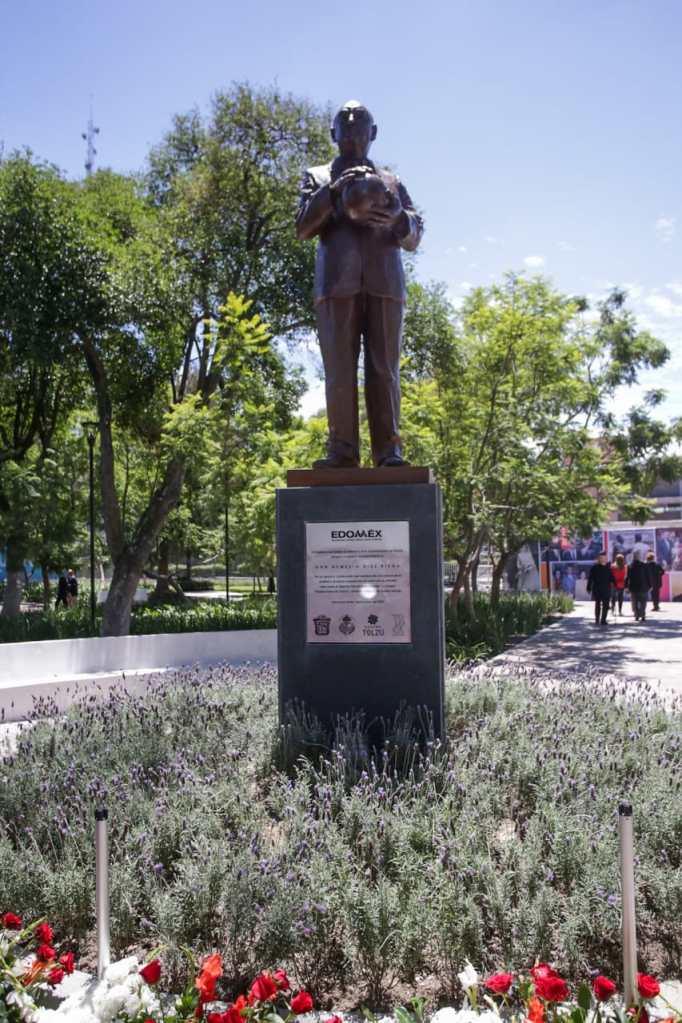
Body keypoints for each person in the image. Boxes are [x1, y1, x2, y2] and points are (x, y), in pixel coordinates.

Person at [296, 100, 423, 468]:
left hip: (385, 286)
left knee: (384, 369)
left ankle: (389, 451)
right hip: (336, 287)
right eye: (344, 126)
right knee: (339, 370)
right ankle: (342, 451)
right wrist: (333, 193)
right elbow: (303, 227)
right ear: (333, 134)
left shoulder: (391, 183)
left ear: (374, 134)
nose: (352, 131)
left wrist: (400, 217)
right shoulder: (318, 177)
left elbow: (414, 236)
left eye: (360, 126)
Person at [626, 550, 654, 622]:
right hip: (643, 587)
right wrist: (650, 585)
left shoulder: (630, 565)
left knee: (635, 602)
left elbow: (627, 577)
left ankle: (637, 615)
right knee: (643, 602)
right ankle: (642, 615)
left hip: (634, 587)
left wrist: (626, 586)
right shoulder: (644, 565)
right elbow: (648, 576)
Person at [587, 552, 612, 625]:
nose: (603, 559)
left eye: (604, 558)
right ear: (599, 559)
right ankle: (597, 619)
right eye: (601, 558)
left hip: (606, 589)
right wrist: (588, 587)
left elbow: (611, 578)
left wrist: (614, 583)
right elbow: (590, 578)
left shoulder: (608, 568)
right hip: (597, 589)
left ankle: (603, 619)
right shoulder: (594, 568)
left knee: (606, 605)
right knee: (597, 604)